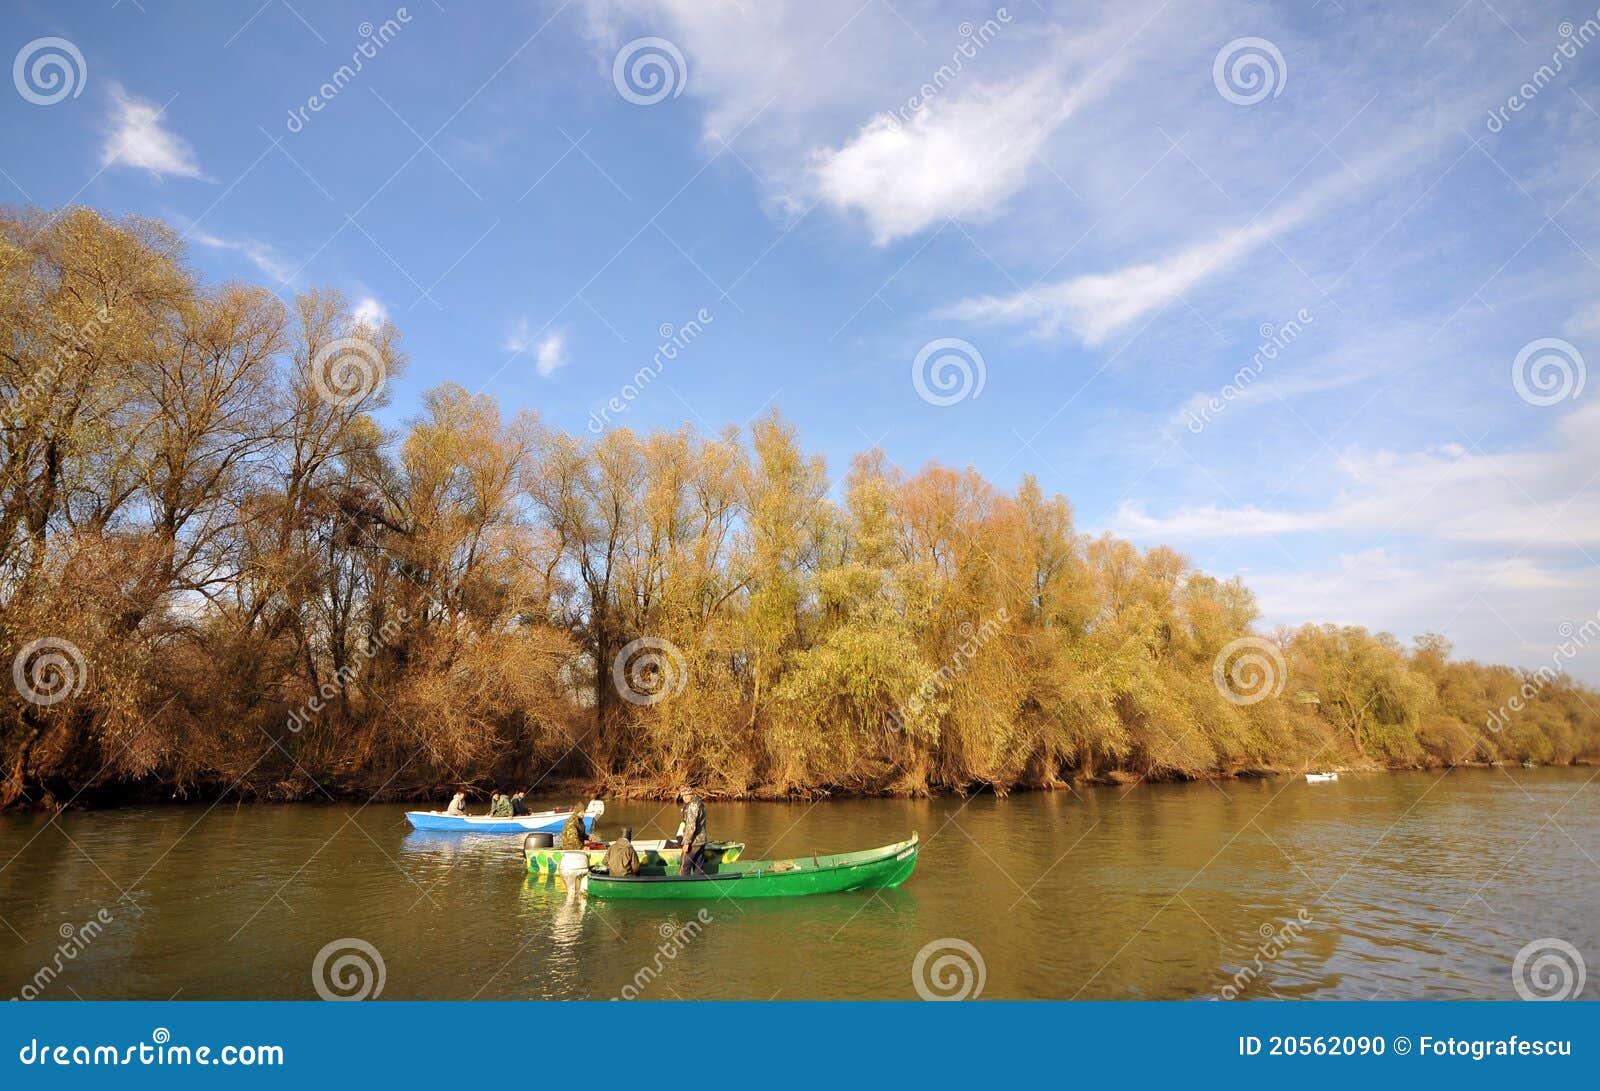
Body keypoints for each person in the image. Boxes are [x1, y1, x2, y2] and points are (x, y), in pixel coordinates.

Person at [677, 787, 708, 876]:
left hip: (693, 842)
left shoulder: (692, 806)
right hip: (701, 841)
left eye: (687, 795)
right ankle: (698, 886)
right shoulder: (700, 803)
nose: (685, 797)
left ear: (692, 794)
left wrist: (686, 843)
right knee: (699, 868)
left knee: (684, 867)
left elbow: (691, 826)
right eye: (683, 796)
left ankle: (684, 886)